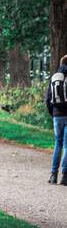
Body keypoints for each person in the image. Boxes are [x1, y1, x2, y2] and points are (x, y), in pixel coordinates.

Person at [46, 55, 67, 184]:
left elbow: (48, 98)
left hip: (57, 115)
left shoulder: (55, 77)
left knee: (58, 143)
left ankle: (53, 175)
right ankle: (65, 177)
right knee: (66, 145)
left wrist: (52, 113)